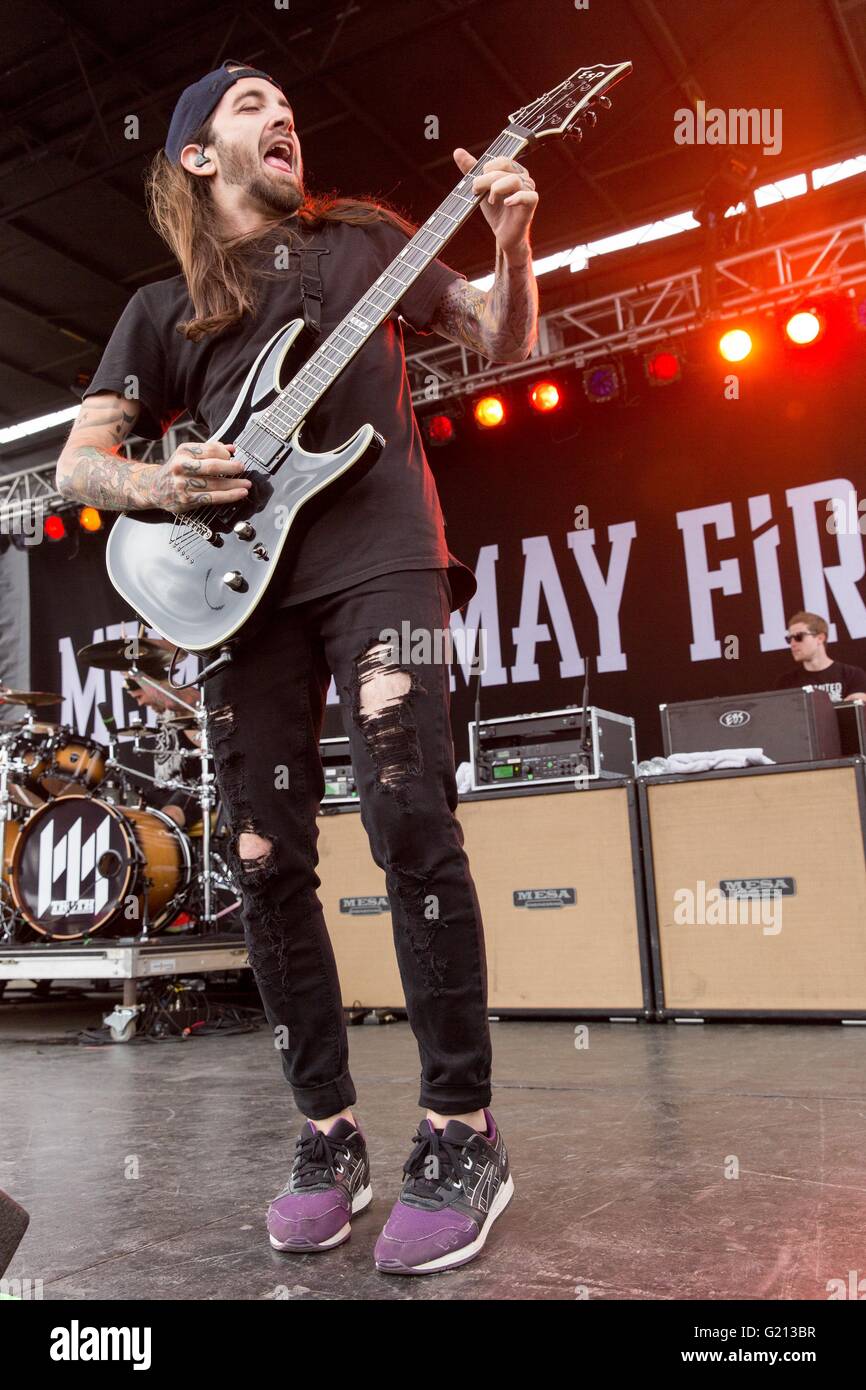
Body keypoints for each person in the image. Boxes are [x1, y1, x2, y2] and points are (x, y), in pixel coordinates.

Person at [55, 59, 539, 1275]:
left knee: (409, 813)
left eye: (286, 101)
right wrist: (162, 482)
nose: (283, 115)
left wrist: (511, 239)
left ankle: (459, 1127)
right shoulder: (160, 311)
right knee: (261, 858)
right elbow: (78, 467)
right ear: (198, 157)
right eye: (248, 103)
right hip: (238, 583)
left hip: (381, 554)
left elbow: (497, 334)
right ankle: (327, 1133)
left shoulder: (369, 237)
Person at [775, 612, 866, 704]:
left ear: (820, 638)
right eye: (789, 639)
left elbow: (856, 714)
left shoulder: (852, 675)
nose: (792, 644)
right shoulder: (785, 682)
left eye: (799, 637)